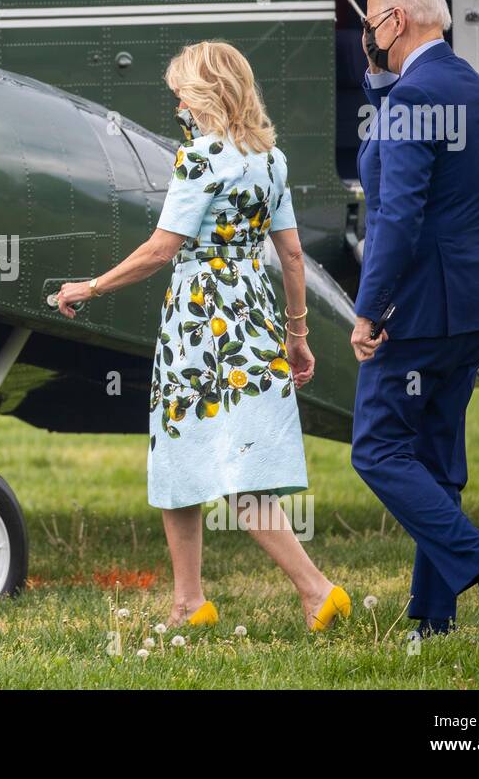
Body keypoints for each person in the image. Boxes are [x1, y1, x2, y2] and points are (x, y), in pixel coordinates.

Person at [57, 41, 351, 632]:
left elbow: (161, 250)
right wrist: (296, 334)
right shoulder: (272, 160)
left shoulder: (199, 158)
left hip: (198, 325)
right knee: (193, 460)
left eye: (182, 92)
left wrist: (89, 287)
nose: (177, 103)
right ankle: (188, 602)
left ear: (206, 94)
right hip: (253, 318)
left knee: (213, 462)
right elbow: (291, 254)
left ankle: (316, 590)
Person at [351, 0, 479, 638]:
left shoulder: (409, 102)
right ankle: (433, 619)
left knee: (376, 450)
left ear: (395, 21)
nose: (366, 35)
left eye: (371, 22)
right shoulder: (469, 89)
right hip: (474, 311)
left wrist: (369, 308)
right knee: (435, 458)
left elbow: (396, 216)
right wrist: (379, 83)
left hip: (419, 315)